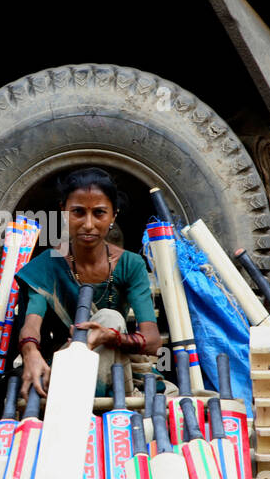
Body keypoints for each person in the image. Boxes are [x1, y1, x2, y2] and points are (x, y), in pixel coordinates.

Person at [13, 167, 160, 399]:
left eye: (99, 213)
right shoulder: (47, 265)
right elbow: (31, 324)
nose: (88, 224)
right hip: (61, 365)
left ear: (113, 216)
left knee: (110, 319)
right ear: (63, 212)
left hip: (115, 362)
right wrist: (30, 352)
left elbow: (152, 342)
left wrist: (109, 337)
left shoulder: (130, 264)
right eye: (78, 212)